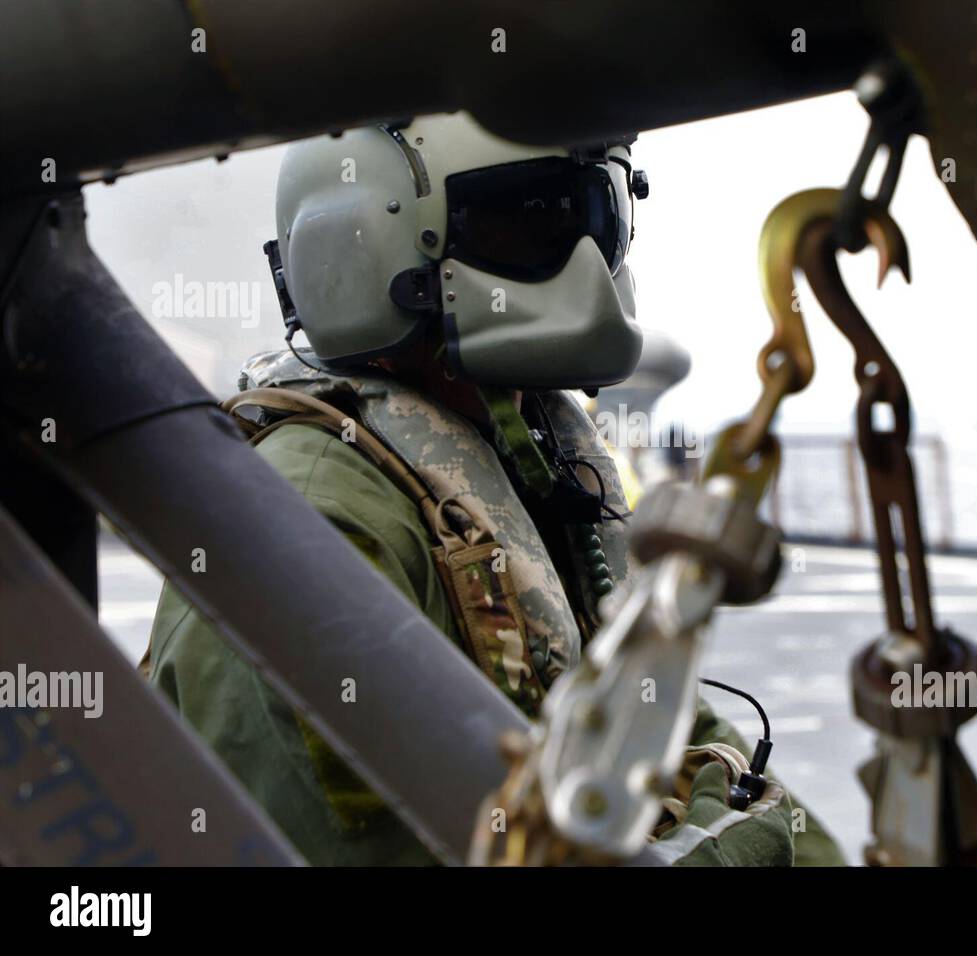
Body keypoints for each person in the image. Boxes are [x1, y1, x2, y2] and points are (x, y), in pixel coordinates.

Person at [144, 112, 845, 866]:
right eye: (530, 219)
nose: (584, 264)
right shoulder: (309, 528)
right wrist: (744, 843)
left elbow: (660, 713)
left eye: (598, 213)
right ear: (366, 240)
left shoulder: (533, 465)